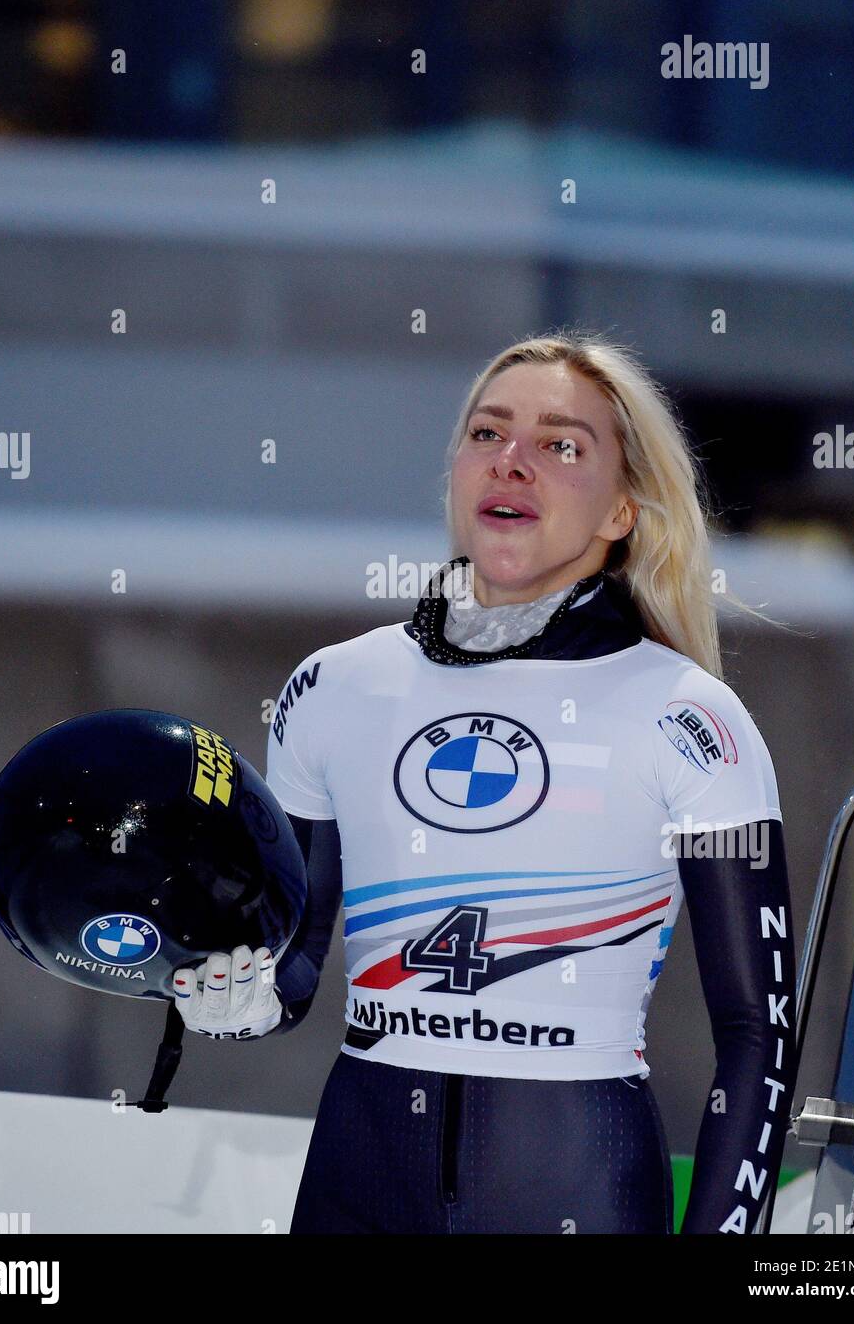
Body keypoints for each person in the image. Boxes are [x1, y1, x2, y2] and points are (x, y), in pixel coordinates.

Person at [176, 330, 799, 1235]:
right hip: (359, 1173)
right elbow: (296, 962)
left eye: (560, 445)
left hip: (574, 1181)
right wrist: (233, 999)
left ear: (621, 510)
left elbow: (757, 1039)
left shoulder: (692, 719)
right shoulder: (330, 688)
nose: (510, 463)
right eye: (486, 434)